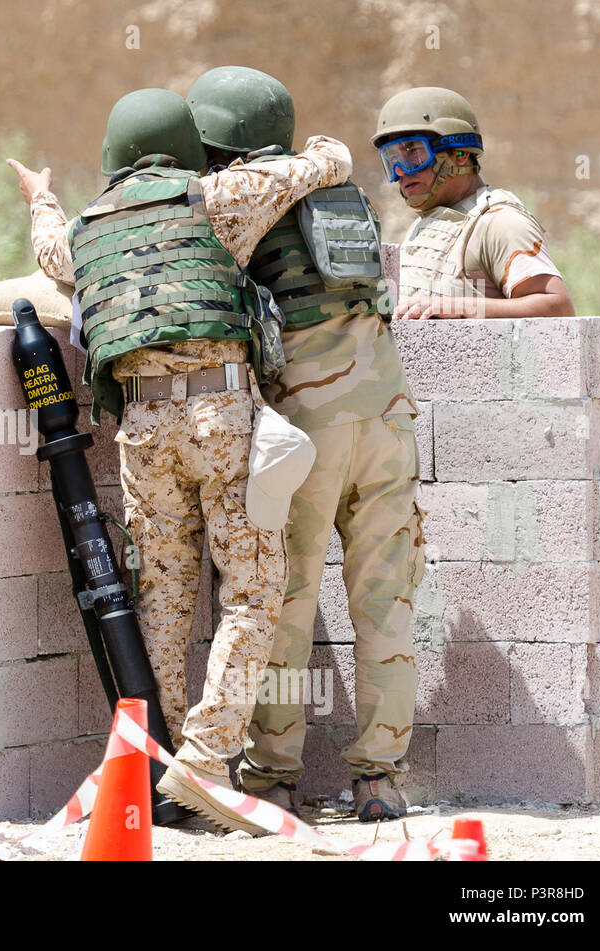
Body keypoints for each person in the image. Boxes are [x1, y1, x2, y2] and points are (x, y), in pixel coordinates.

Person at [8, 87, 351, 833]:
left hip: (140, 427)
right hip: (219, 415)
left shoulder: (87, 230)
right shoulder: (215, 196)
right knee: (253, 591)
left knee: (161, 602)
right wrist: (329, 151)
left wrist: (40, 196)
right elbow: (312, 171)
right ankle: (205, 760)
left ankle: (161, 771)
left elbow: (48, 250)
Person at [186, 67, 427, 823]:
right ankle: (380, 780)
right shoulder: (343, 192)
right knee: (386, 603)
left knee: (284, 602)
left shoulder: (242, 202)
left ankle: (273, 777)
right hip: (386, 417)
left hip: (307, 427)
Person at [372, 86, 575, 319]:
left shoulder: (499, 222)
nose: (401, 171)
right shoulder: (426, 225)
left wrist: (457, 307)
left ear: (460, 154)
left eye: (414, 153)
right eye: (392, 158)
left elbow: (557, 307)